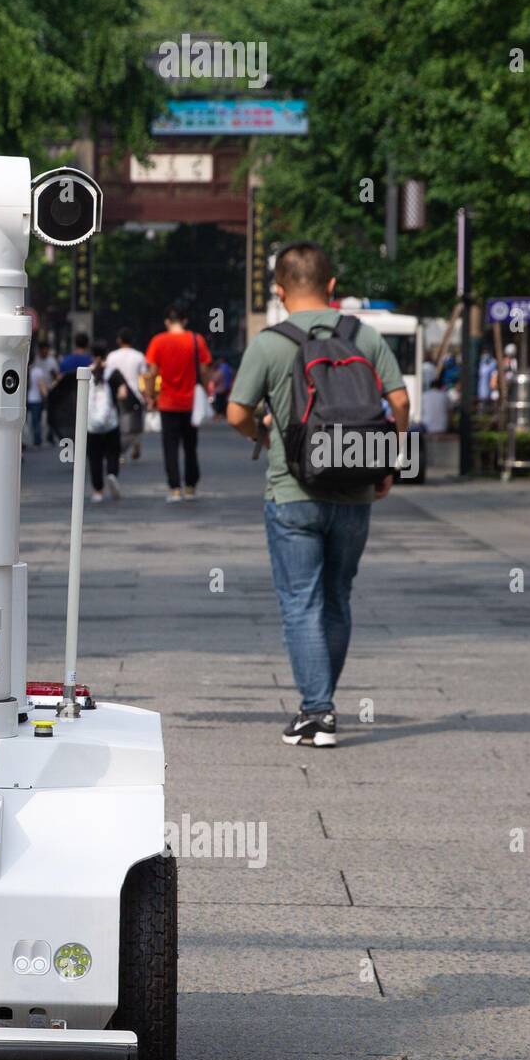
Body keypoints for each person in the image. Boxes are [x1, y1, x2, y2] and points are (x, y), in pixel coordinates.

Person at [225, 240, 408, 748]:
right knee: (337, 598)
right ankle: (321, 706)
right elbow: (399, 399)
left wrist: (264, 437)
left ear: (280, 292)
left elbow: (237, 413)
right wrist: (389, 464)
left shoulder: (269, 342)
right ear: (332, 286)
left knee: (300, 602)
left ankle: (317, 712)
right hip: (354, 490)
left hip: (293, 491)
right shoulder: (363, 335)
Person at [146, 304, 210, 501]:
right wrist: (205, 390)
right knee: (191, 446)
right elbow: (205, 369)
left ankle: (174, 488)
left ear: (167, 321)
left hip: (167, 402)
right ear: (185, 321)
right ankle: (190, 486)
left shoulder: (158, 341)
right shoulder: (196, 340)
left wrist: (151, 396)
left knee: (170, 447)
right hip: (191, 403)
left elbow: (151, 373)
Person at [86, 344, 122, 502]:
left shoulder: (86, 372)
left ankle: (97, 491)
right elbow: (123, 393)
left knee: (95, 458)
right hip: (111, 422)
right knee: (113, 452)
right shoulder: (113, 372)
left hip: (91, 424)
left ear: (93, 355)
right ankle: (112, 474)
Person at [104, 328, 146, 460]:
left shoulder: (112, 356)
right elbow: (143, 376)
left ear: (119, 340)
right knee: (136, 423)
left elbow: (108, 375)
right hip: (135, 394)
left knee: (119, 423)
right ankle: (135, 442)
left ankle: (120, 451)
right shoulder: (139, 356)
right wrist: (147, 395)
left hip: (117, 394)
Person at [26, 339, 59, 449]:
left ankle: (49, 435)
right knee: (36, 417)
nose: (44, 352)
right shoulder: (36, 360)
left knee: (50, 414)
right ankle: (37, 437)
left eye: (46, 350)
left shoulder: (51, 361)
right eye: (43, 350)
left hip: (49, 389)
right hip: (37, 390)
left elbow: (56, 375)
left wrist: (52, 386)